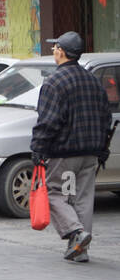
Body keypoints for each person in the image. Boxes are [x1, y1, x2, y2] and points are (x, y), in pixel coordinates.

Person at [31, 32, 113, 263]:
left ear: (61, 51)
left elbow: (47, 121)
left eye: (55, 47)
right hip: (90, 153)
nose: (53, 50)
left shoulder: (55, 82)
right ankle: (80, 250)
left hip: (65, 155)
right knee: (83, 199)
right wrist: (101, 148)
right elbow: (105, 117)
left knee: (57, 194)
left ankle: (76, 234)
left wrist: (38, 148)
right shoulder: (93, 82)